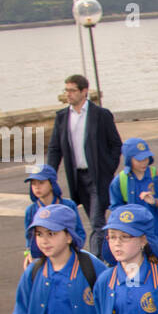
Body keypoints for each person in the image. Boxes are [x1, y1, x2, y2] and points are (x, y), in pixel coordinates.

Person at [7, 204, 105, 314]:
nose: (44, 240)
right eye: (39, 234)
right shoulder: (34, 271)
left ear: (69, 236)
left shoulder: (91, 267)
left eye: (51, 234)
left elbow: (107, 312)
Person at [46, 74, 123, 256]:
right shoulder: (62, 117)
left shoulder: (101, 115)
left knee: (96, 222)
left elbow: (115, 144)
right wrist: (50, 175)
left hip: (98, 176)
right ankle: (110, 255)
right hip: (77, 178)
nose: (68, 94)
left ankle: (96, 262)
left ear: (84, 91)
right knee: (95, 221)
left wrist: (108, 168)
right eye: (66, 90)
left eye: (72, 90)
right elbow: (55, 148)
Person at [108, 138, 158, 262]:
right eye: (139, 160)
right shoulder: (120, 180)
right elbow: (115, 210)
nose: (144, 162)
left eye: (146, 158)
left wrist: (155, 202)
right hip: (133, 237)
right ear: (128, 159)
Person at [22, 164, 83, 266]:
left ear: (52, 183)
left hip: (67, 256)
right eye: (33, 183)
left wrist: (75, 250)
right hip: (41, 259)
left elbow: (78, 231)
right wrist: (29, 254)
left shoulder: (68, 205)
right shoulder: (31, 210)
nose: (37, 187)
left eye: (41, 182)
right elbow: (29, 238)